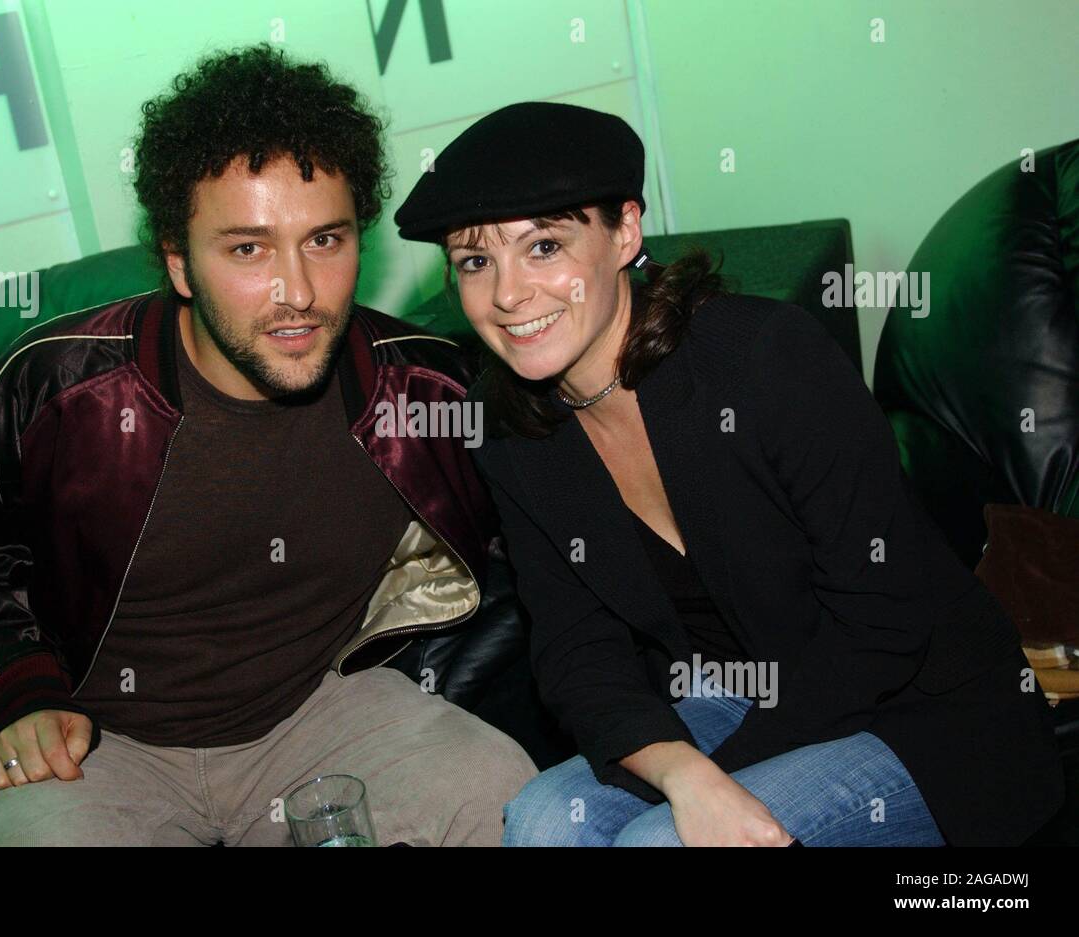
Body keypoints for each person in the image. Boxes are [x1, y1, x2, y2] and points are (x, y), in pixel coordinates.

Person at [0, 44, 535, 847]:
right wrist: (20, 691)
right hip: (102, 745)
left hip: (323, 712)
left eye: (325, 241)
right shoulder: (55, 386)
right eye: (247, 249)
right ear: (180, 263)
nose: (296, 291)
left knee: (507, 799)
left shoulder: (426, 389)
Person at [393, 101, 1065, 846]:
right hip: (730, 694)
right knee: (543, 820)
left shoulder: (763, 360)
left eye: (544, 247)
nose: (507, 294)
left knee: (661, 843)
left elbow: (883, 621)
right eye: (474, 262)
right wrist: (684, 773)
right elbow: (575, 647)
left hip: (923, 712)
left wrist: (721, 782)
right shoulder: (511, 421)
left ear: (624, 232)